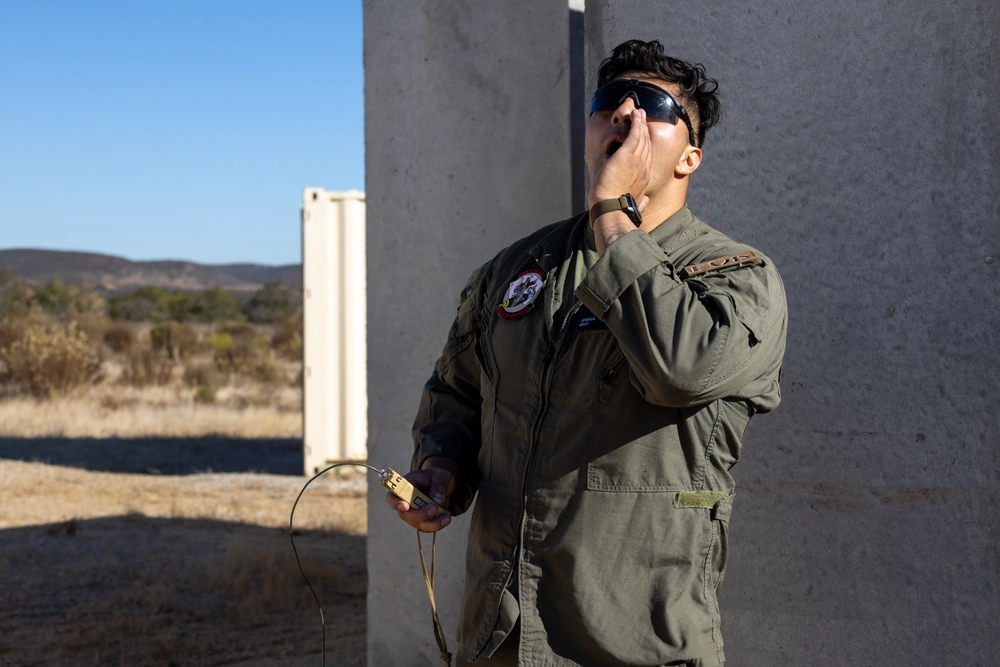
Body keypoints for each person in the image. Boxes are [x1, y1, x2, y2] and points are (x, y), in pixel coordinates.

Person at [386, 38, 787, 667]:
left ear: (689, 158)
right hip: (501, 637)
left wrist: (610, 212)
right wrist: (443, 466)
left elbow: (681, 370)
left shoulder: (734, 275)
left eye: (652, 105)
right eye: (608, 103)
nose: (625, 115)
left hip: (630, 641)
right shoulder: (519, 268)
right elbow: (458, 392)